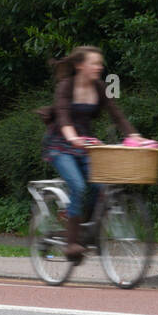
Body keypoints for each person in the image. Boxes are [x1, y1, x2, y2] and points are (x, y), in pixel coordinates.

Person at [39, 47, 143, 262]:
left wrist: (135, 136)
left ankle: (86, 229)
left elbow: (117, 115)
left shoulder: (99, 87)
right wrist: (71, 137)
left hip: (86, 144)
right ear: (80, 65)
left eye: (100, 63)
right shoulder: (65, 87)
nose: (99, 67)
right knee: (77, 185)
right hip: (61, 144)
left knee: (100, 185)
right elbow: (64, 116)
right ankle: (71, 243)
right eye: (94, 63)